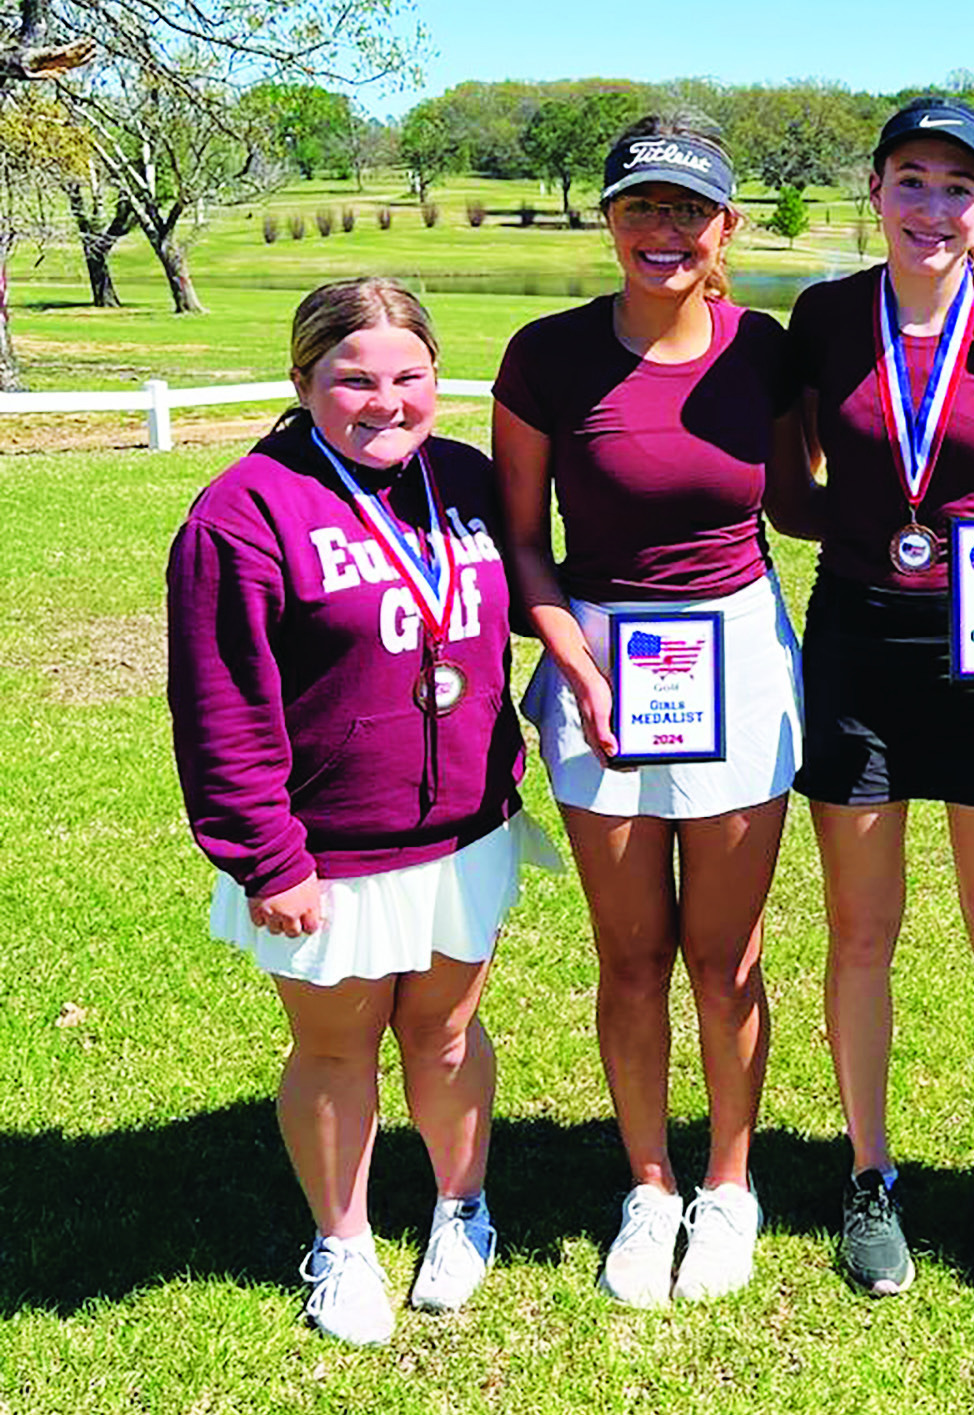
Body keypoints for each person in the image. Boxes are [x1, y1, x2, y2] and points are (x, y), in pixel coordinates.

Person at [167, 277, 555, 1345]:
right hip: (328, 848)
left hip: (467, 825)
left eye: (408, 376)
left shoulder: (466, 479)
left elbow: (537, 597)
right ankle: (341, 1242)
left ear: (436, 378)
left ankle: (461, 1207)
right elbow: (221, 706)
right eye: (354, 379)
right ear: (304, 381)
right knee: (337, 1051)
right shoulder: (244, 509)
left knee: (444, 1032)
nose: (385, 401)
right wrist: (268, 857)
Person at [776, 94, 974, 1309]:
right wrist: (885, 536)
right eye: (910, 180)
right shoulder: (820, 318)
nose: (932, 206)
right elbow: (787, 490)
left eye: (956, 186)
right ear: (877, 193)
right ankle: (869, 1175)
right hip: (860, 636)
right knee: (863, 930)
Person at [492, 114, 805, 1308]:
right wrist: (566, 646)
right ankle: (650, 1185)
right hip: (602, 659)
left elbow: (819, 490)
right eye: (642, 206)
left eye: (689, 209)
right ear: (609, 218)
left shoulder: (762, 350)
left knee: (724, 956)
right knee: (632, 954)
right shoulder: (546, 356)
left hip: (735, 656)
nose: (663, 230)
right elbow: (524, 537)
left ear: (725, 227)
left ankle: (729, 1184)